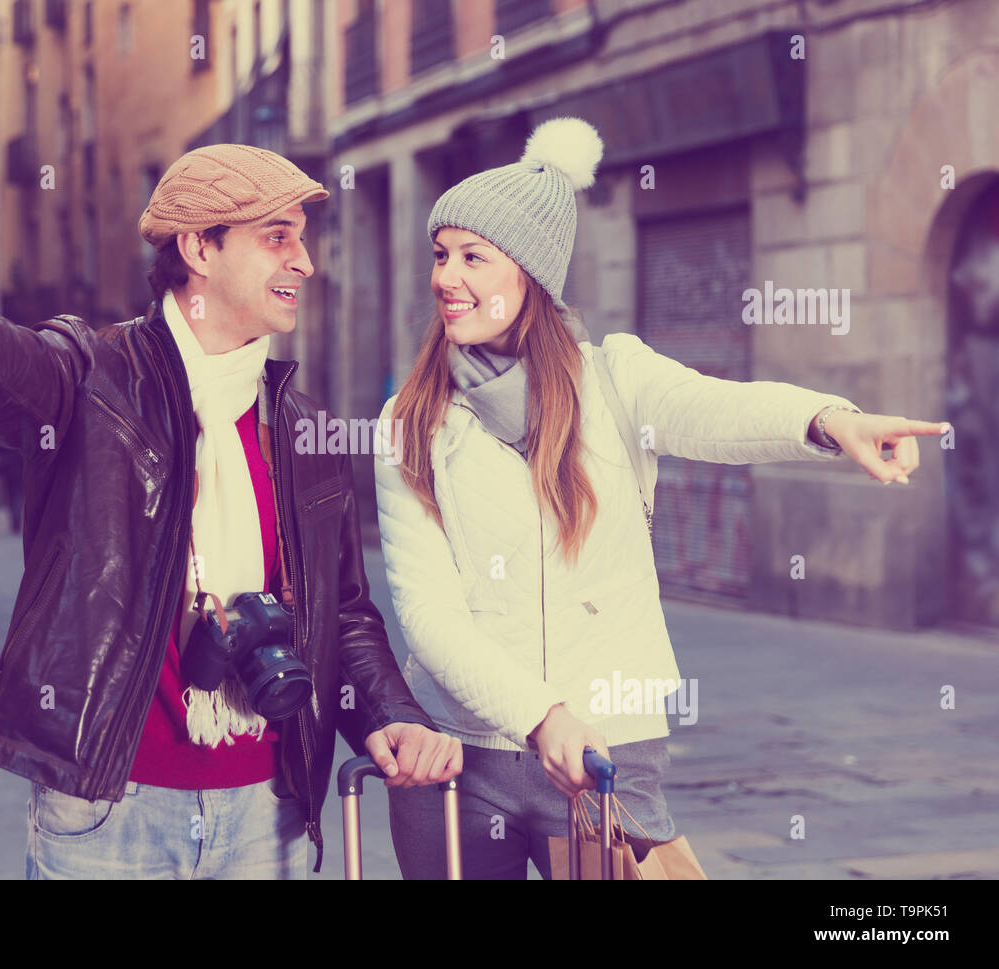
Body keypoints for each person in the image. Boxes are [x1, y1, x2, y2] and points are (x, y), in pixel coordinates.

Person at [0, 142, 461, 880]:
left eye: (302, 238)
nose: (305, 262)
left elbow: (343, 611)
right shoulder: (95, 378)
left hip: (269, 815)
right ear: (198, 246)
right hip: (111, 813)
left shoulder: (300, 429)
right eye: (277, 237)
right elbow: (4, 368)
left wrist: (392, 714)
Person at [374, 117, 950, 879]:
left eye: (473, 257)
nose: (447, 276)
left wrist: (830, 419)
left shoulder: (615, 379)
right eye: (441, 255)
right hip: (460, 752)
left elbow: (719, 409)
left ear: (531, 276)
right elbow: (427, 613)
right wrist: (540, 715)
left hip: (607, 745)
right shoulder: (408, 421)